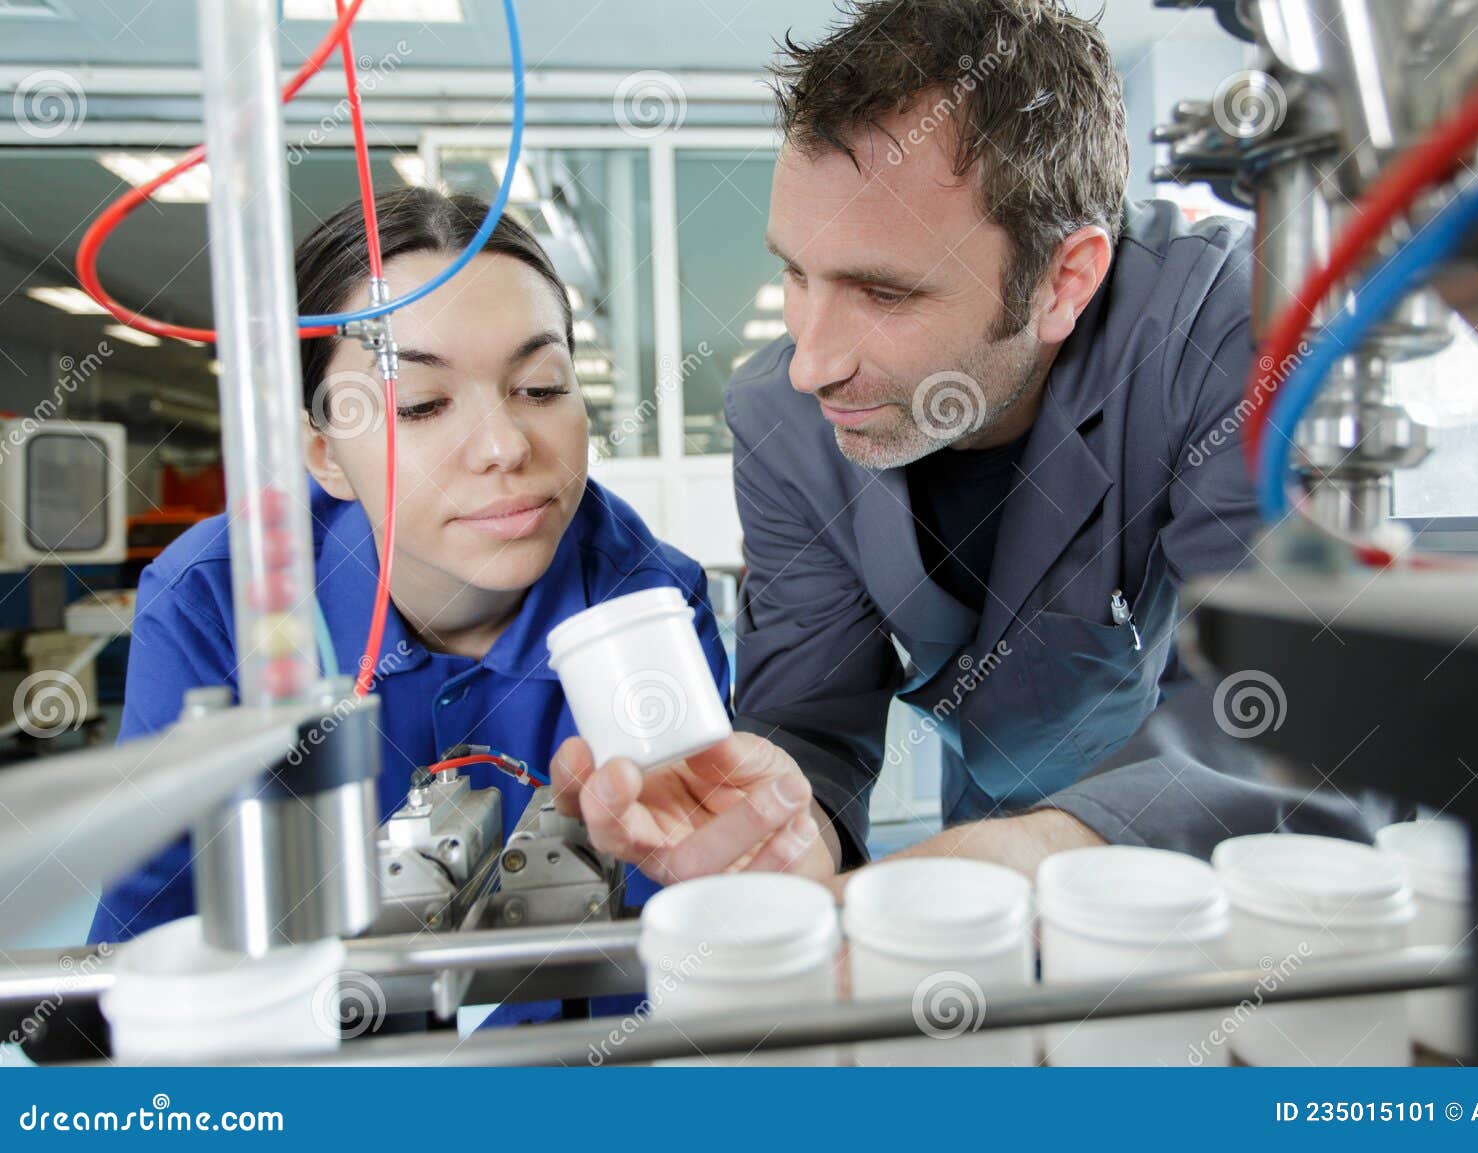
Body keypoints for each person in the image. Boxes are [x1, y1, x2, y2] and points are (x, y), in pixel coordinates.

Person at [551, 0, 1385, 887]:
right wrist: (779, 831)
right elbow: (812, 723)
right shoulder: (781, 419)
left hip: (1204, 831)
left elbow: (1309, 697)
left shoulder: (1227, 324)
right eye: (795, 272)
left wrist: (1036, 852)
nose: (811, 364)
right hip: (987, 814)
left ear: (1067, 280)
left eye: (883, 293)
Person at [88, 187, 819, 1024]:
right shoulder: (215, 603)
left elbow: (673, 956)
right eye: (422, 405)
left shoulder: (642, 601)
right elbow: (130, 975)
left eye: (542, 386)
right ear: (323, 451)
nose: (507, 446)